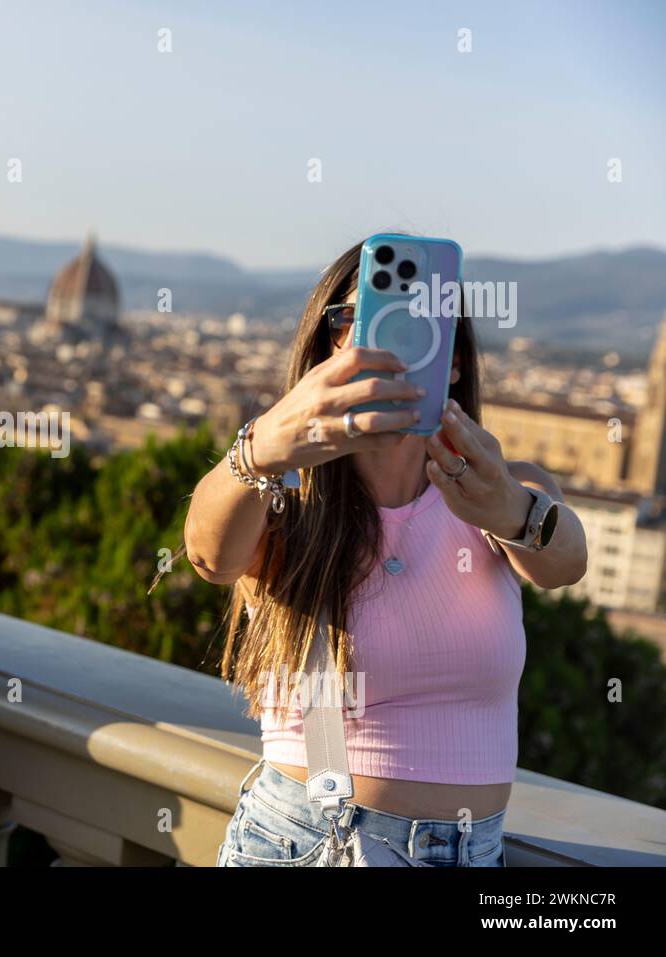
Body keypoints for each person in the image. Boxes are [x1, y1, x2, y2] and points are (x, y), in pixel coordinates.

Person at [184, 238, 587, 867]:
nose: (390, 342)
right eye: (355, 320)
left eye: (424, 324)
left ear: (454, 361)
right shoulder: (285, 498)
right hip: (310, 843)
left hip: (473, 855)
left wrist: (508, 509)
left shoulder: (499, 491)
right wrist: (260, 449)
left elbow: (566, 562)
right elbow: (208, 557)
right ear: (323, 354)